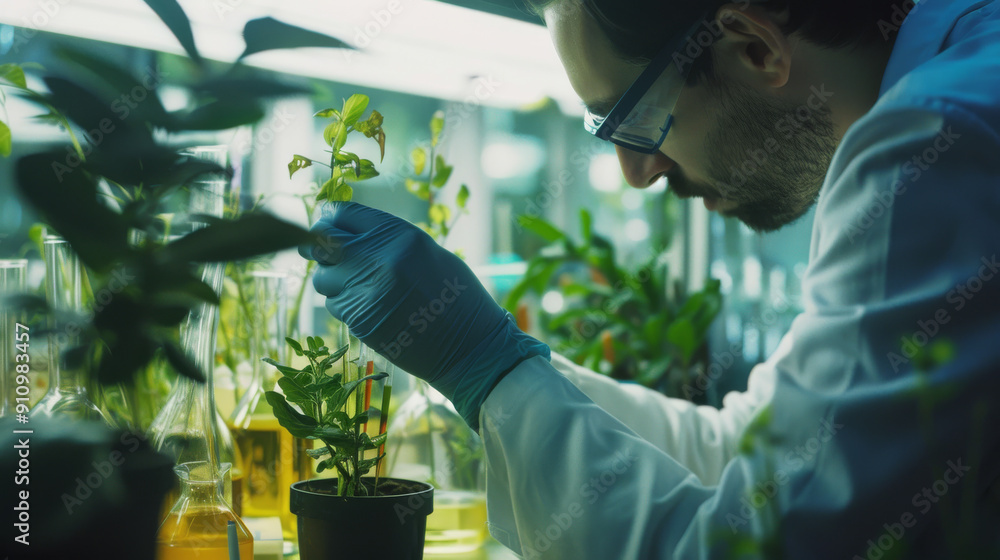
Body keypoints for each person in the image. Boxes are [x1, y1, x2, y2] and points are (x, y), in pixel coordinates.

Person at [298, 0, 1000, 557]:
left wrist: (484, 368)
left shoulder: (935, 141)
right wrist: (502, 362)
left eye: (631, 120)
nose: (637, 173)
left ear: (753, 46)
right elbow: (743, 447)